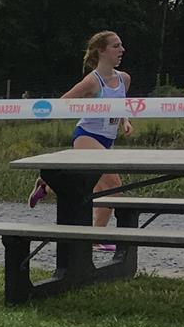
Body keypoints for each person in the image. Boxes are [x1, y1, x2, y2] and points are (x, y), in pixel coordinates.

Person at [29, 30, 133, 250]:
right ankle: (96, 238)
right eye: (116, 46)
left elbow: (120, 104)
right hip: (87, 136)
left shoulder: (124, 78)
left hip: (108, 140)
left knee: (93, 189)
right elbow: (63, 102)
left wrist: (125, 121)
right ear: (101, 51)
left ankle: (46, 187)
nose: (122, 50)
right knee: (113, 186)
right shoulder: (91, 81)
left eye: (121, 46)